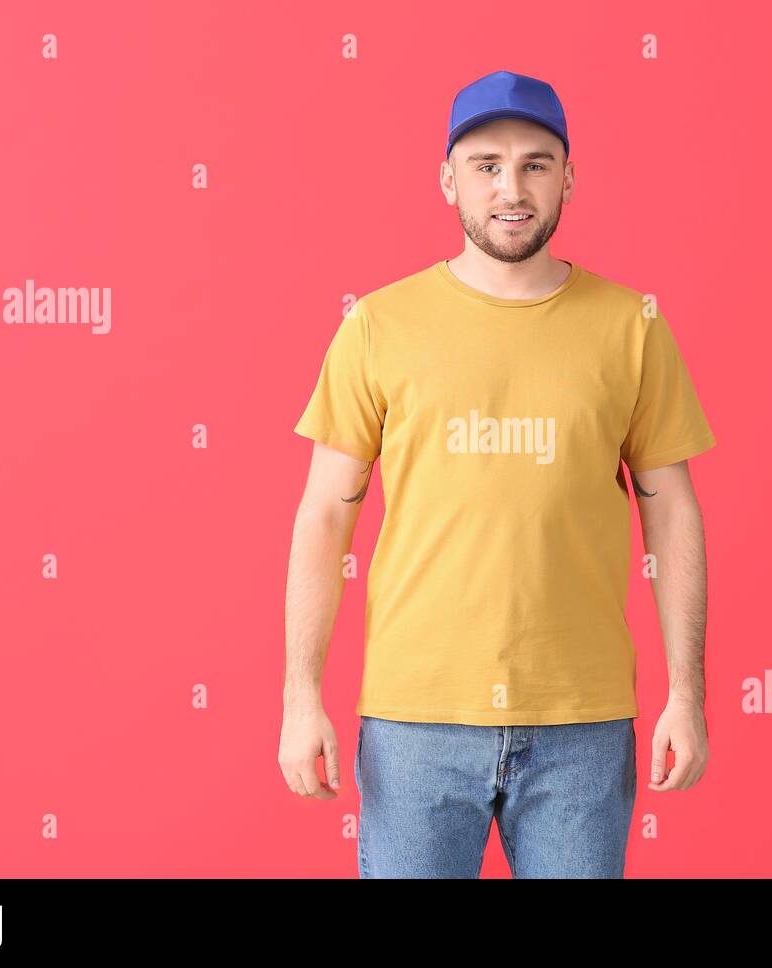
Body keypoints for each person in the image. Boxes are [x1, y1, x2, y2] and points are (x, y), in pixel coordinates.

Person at [278, 69, 716, 878]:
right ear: (448, 180)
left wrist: (685, 695)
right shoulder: (378, 325)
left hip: (582, 727)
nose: (510, 188)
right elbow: (323, 518)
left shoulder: (632, 326)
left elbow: (673, 515)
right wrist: (300, 697)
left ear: (568, 177)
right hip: (415, 724)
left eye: (534, 163)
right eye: (485, 165)